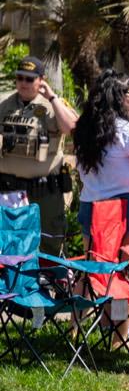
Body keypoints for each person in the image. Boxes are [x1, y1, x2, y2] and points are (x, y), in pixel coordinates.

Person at [74, 72, 129, 348]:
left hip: (92, 205)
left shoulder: (86, 127)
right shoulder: (128, 131)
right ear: (119, 98)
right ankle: (118, 337)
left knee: (91, 272)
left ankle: (74, 332)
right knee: (126, 274)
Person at [0, 57, 77, 253]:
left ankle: (51, 281)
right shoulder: (4, 102)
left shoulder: (53, 105)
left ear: (41, 80)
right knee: (10, 243)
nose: (23, 83)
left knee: (49, 240)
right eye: (20, 78)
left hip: (44, 191)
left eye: (29, 79)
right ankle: (13, 282)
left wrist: (52, 98)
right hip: (8, 189)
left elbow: (71, 128)